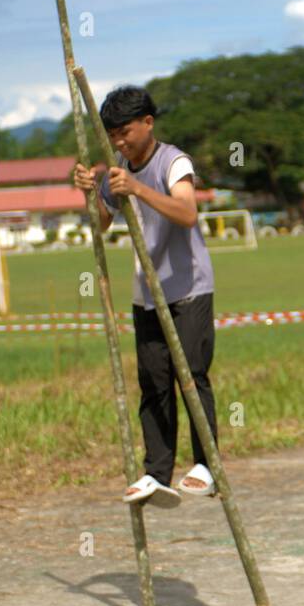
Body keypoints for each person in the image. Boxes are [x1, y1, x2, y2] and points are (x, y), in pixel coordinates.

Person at [72, 85, 219, 506]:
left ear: (148, 123)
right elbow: (100, 223)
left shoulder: (174, 162)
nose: (119, 141)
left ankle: (207, 467)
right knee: (153, 382)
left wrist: (136, 189)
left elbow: (187, 213)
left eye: (125, 132)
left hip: (188, 289)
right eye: (112, 134)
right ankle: (156, 473)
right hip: (146, 294)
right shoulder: (117, 167)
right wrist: (90, 189)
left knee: (190, 375)